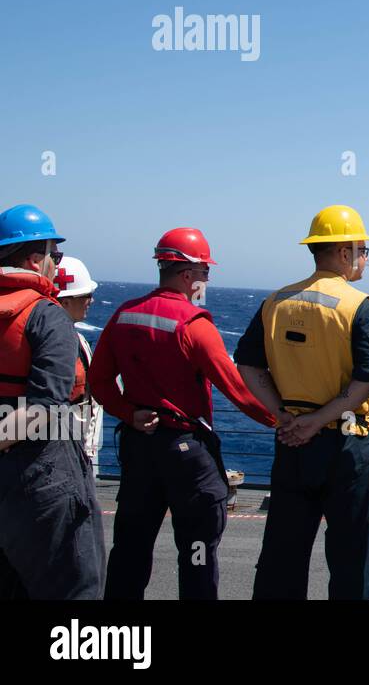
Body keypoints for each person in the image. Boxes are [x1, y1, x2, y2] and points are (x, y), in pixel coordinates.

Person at [89, 227, 275, 600]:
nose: (207, 279)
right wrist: (282, 421)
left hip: (139, 448)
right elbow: (236, 389)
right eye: (205, 272)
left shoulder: (124, 314)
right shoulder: (194, 325)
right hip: (185, 454)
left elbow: (100, 381)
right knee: (197, 553)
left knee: (130, 550)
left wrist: (129, 413)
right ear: (188, 274)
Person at [234, 205, 369, 600]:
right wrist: (319, 420)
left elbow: (248, 365)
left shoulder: (275, 301)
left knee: (282, 555)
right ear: (343, 252)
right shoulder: (359, 306)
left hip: (292, 444)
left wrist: (284, 415)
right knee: (351, 558)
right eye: (362, 250)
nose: (364, 259)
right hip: (346, 444)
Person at [0, 204, 105, 599]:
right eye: (53, 256)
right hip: (42, 471)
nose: (54, 265)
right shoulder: (47, 315)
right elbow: (45, 406)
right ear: (35, 258)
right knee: (76, 586)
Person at [55, 256, 104, 477]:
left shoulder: (79, 341)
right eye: (86, 295)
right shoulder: (61, 344)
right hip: (65, 454)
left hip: (79, 449)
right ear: (65, 301)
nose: (91, 301)